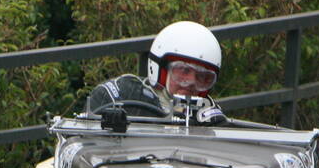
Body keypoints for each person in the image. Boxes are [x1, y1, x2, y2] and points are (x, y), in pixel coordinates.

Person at [83, 20, 227, 124]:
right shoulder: (122, 96)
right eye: (183, 70)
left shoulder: (211, 116)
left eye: (203, 77)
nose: (191, 82)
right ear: (160, 69)